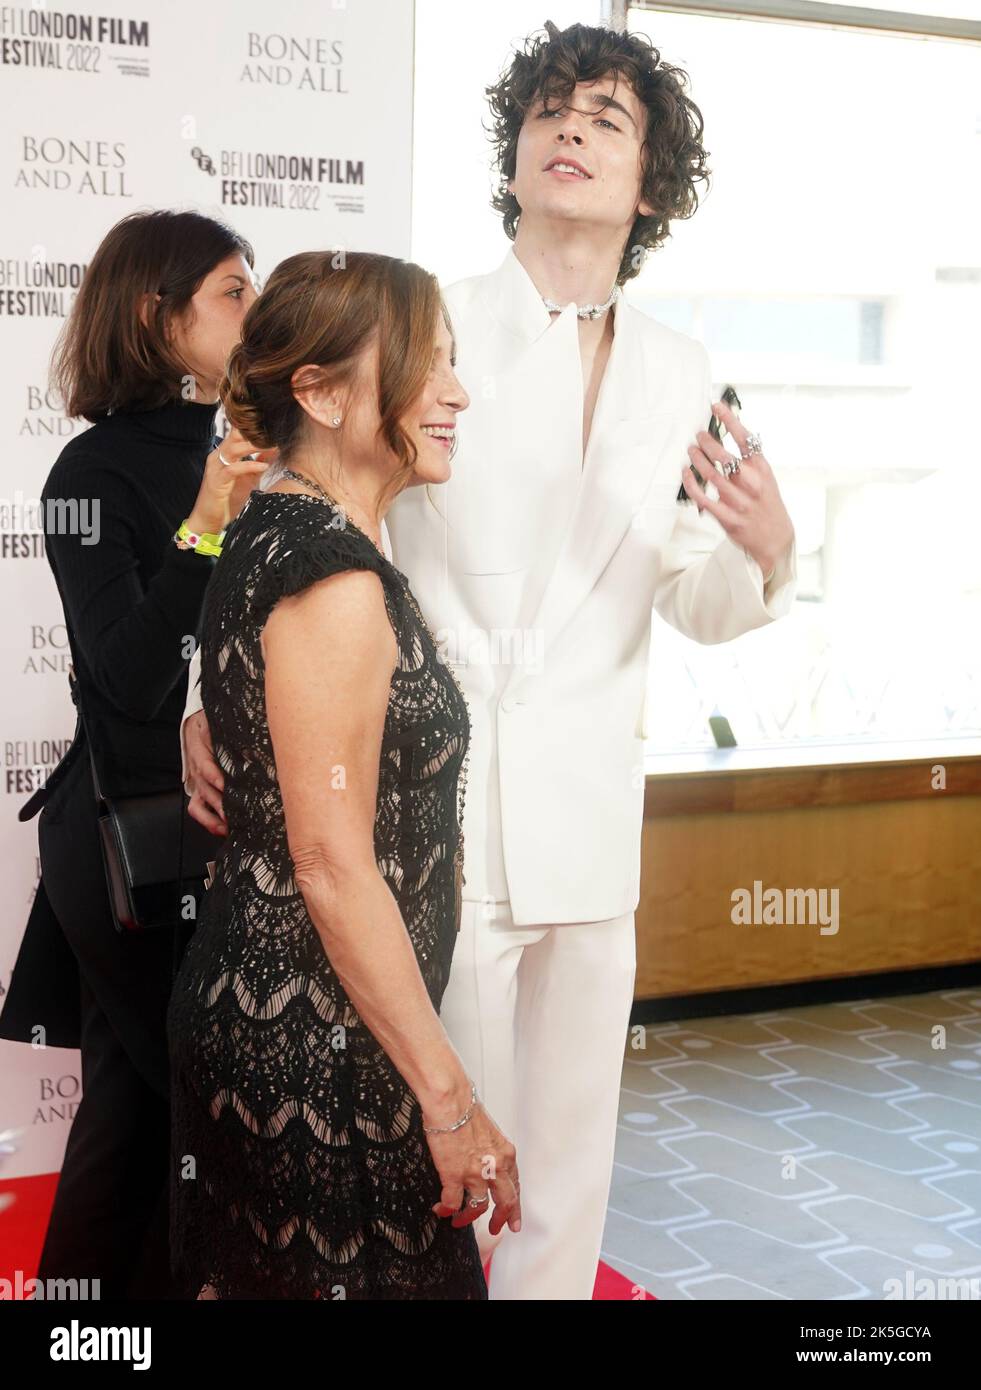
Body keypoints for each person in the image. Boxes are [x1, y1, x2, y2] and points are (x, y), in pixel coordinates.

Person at [183, 21, 798, 1299]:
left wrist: (773, 553)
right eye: (549, 112)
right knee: (436, 1161)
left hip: (588, 829)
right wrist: (211, 701)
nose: (570, 130)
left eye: (607, 119)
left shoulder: (682, 369)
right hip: (426, 823)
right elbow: (291, 508)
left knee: (568, 1175)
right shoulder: (421, 320)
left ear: (651, 181)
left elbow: (696, 599)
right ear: (514, 152)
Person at [165, 250, 520, 1301]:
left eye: (456, 364)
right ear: (319, 392)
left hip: (286, 1010)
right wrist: (451, 1102)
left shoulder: (285, 531)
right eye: (426, 363)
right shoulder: (331, 575)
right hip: (314, 1041)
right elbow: (330, 864)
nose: (455, 391)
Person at [0, 208, 267, 1299]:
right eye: (233, 293)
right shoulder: (88, 473)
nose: (256, 312)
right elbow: (128, 678)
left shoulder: (245, 447)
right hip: (124, 843)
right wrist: (206, 522)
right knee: (176, 1110)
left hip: (213, 835)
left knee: (133, 1113)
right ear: (160, 317)